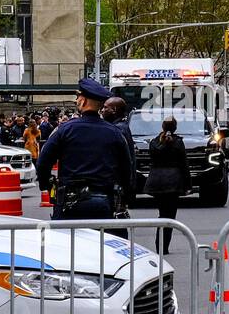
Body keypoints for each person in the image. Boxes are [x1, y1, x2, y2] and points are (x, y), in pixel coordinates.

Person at [35, 78, 133, 221]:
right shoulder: (115, 133)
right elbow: (126, 170)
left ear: (83, 101)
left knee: (68, 242)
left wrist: (47, 184)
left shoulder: (64, 130)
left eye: (78, 97)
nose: (76, 101)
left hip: (69, 204)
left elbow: (43, 162)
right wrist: (124, 197)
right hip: (103, 202)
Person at [144, 117, 192, 255]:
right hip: (173, 182)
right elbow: (184, 164)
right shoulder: (178, 143)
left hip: (157, 182)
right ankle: (164, 246)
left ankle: (160, 245)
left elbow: (151, 159)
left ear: (162, 127)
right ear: (175, 128)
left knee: (163, 212)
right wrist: (188, 185)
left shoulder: (154, 142)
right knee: (170, 216)